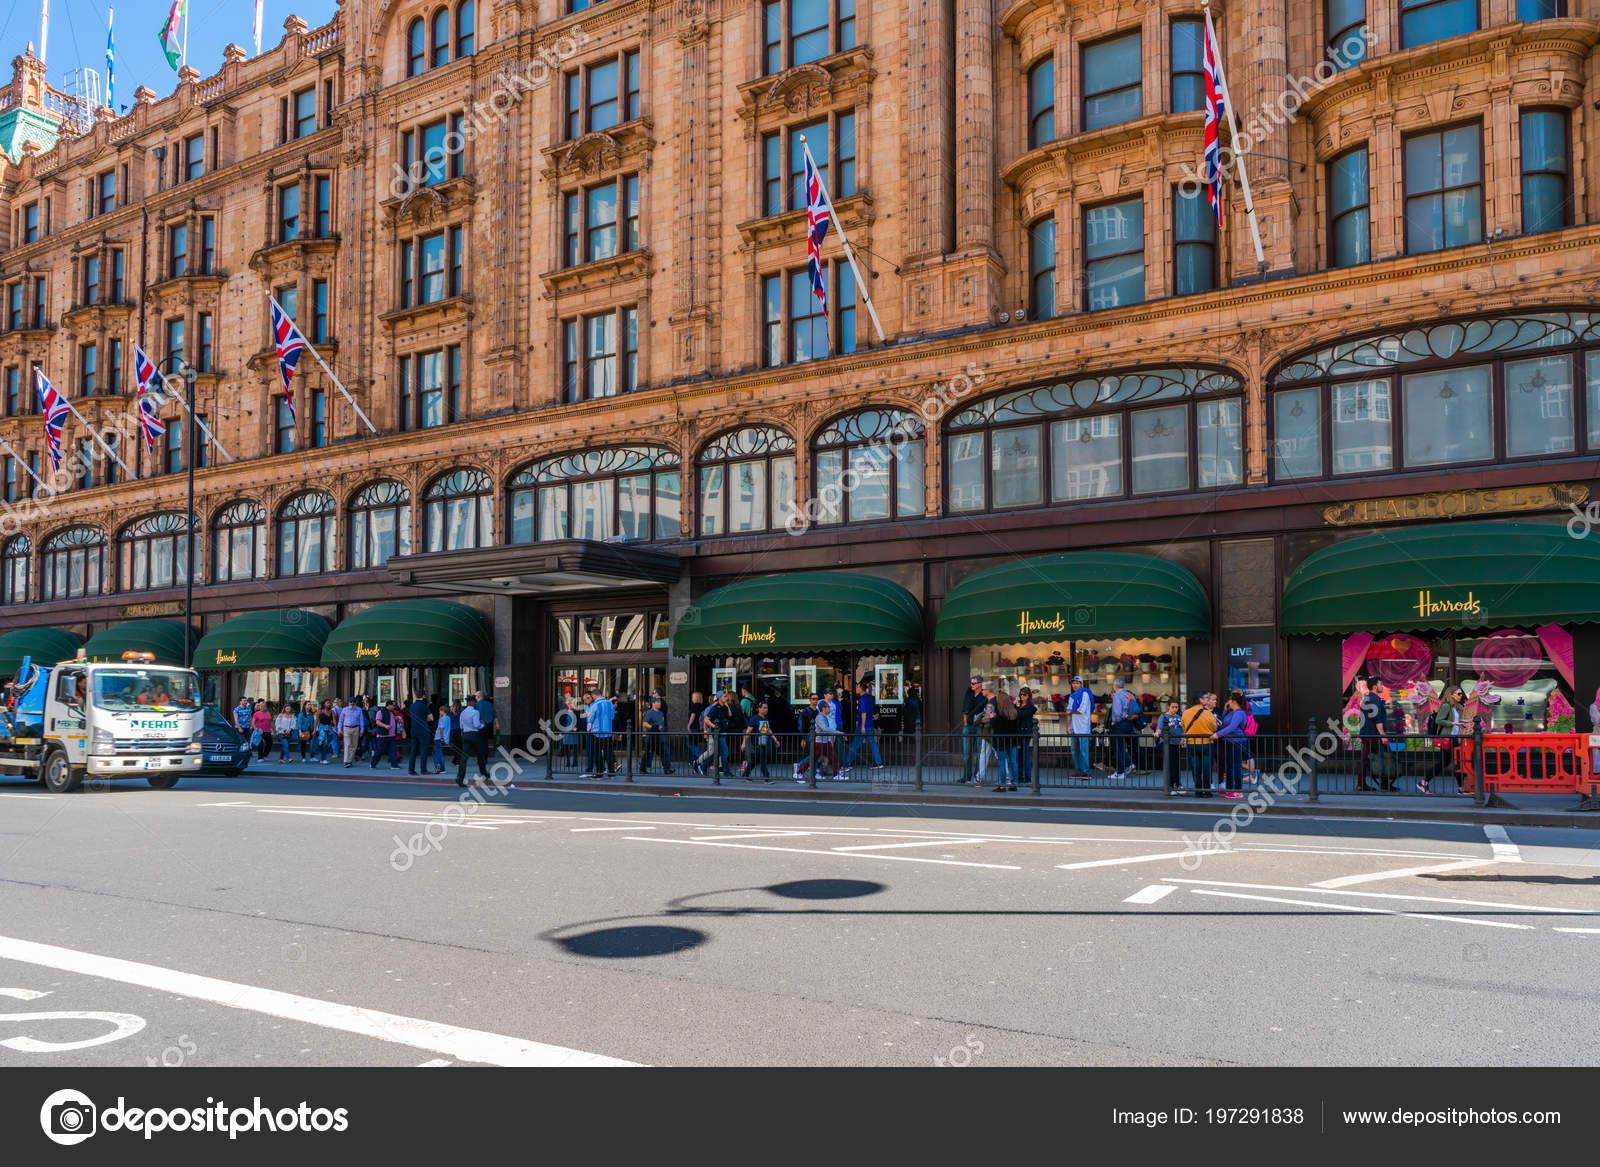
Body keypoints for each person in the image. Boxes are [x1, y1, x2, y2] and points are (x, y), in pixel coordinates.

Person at [841, 678, 883, 775]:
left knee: (855, 744)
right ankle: (878, 762)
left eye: (857, 687)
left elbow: (863, 713)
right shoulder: (869, 698)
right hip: (870, 724)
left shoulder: (862, 699)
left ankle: (847, 763)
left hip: (863, 725)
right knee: (872, 744)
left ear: (861, 689)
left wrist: (862, 726)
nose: (856, 688)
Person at [795, 695, 841, 782]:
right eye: (813, 699)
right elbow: (823, 728)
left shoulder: (821, 714)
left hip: (823, 740)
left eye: (816, 699)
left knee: (829, 758)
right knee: (813, 758)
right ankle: (799, 771)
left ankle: (833, 775)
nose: (815, 700)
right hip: (816, 740)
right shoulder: (814, 715)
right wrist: (838, 732)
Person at [1357, 679, 1391, 791]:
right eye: (1381, 684)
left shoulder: (1366, 699)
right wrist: (1383, 735)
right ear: (1375, 686)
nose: (1383, 686)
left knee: (1365, 760)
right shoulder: (1375, 699)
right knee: (1386, 757)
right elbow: (1377, 719)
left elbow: (1360, 718)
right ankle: (1385, 784)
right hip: (1374, 735)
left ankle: (1361, 784)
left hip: (1366, 734)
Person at [1182, 692, 1218, 797]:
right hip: (1206, 743)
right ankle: (1207, 791)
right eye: (1206, 698)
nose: (1207, 699)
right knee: (1207, 768)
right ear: (1200, 700)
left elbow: (1184, 726)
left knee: (1195, 768)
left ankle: (1198, 791)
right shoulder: (1208, 713)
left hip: (1191, 743)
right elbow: (1214, 728)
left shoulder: (1186, 712)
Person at [1214, 694, 1249, 798]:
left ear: (1233, 701)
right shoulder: (1231, 712)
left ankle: (1238, 790)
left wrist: (1217, 734)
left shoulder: (1239, 713)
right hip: (1228, 741)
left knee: (1236, 766)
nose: (1227, 702)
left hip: (1236, 741)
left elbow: (1232, 727)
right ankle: (1230, 789)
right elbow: (1224, 722)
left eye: (1229, 700)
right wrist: (1225, 710)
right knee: (1229, 766)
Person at [1108, 676, 1142, 781]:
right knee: (1121, 747)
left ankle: (1120, 772)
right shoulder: (1128, 694)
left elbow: (1117, 713)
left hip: (1120, 724)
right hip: (1129, 723)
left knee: (1117, 747)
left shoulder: (1117, 695)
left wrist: (1114, 721)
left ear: (1115, 685)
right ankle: (1129, 764)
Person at [989, 690, 1020, 792]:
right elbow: (1017, 727)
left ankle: (1002, 785)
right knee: (1014, 762)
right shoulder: (1014, 711)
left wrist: (992, 719)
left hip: (1001, 741)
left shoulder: (998, 713)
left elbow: (996, 728)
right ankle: (1014, 784)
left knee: (1002, 763)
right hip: (1012, 740)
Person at [959, 675, 987, 784]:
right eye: (971, 683)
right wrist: (966, 723)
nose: (971, 685)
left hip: (980, 725)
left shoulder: (984, 694)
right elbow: (964, 708)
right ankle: (966, 776)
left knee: (980, 752)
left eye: (973, 683)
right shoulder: (969, 692)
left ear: (980, 684)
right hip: (969, 725)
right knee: (967, 752)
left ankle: (977, 776)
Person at [739, 699, 777, 781]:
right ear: (759, 709)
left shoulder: (765, 718)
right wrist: (744, 743)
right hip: (757, 743)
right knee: (763, 761)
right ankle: (767, 777)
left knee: (754, 761)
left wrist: (775, 739)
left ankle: (746, 774)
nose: (766, 709)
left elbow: (768, 729)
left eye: (767, 708)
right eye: (764, 708)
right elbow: (748, 731)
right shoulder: (754, 718)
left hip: (763, 742)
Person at [695, 692, 731, 776]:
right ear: (719, 698)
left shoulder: (725, 707)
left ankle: (704, 766)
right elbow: (706, 719)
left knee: (716, 753)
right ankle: (726, 771)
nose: (726, 698)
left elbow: (730, 715)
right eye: (724, 696)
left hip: (723, 732)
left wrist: (727, 705)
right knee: (724, 752)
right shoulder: (714, 708)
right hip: (717, 734)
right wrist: (714, 726)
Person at [1066, 676, 1094, 778]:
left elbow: (1080, 711)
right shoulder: (1072, 696)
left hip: (1083, 729)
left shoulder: (1085, 694)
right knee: (1074, 752)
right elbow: (1068, 713)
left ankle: (1086, 773)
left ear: (1081, 684)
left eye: (1077, 683)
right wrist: (1068, 726)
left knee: (1083, 752)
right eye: (1073, 683)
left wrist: (1070, 712)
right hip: (1074, 728)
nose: (1075, 685)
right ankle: (1078, 772)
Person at [1155, 699, 1185, 794]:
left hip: (1176, 743)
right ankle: (1170, 785)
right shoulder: (1163, 716)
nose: (1175, 709)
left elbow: (1182, 730)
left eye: (1177, 707)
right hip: (1167, 743)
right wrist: (1157, 732)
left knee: (1176, 765)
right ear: (1168, 707)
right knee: (1170, 764)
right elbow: (1159, 728)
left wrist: (1182, 739)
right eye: (1173, 707)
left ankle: (1177, 784)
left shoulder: (1179, 717)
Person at [456, 699, 489, 785]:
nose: (475, 704)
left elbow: (461, 726)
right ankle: (484, 774)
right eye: (475, 702)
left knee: (463, 758)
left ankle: (459, 777)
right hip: (474, 735)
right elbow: (477, 725)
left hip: (465, 735)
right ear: (473, 703)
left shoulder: (462, 712)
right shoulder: (475, 712)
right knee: (480, 755)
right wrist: (483, 725)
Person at [584, 690, 616, 779]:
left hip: (597, 733)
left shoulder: (594, 705)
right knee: (608, 753)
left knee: (597, 754)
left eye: (592, 696)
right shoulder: (609, 704)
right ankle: (611, 773)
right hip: (608, 732)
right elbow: (612, 717)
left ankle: (599, 774)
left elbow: (590, 719)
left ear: (594, 695)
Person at [641, 696, 672, 774]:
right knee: (647, 753)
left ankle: (667, 770)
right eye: (657, 702)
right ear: (653, 703)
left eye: (660, 702)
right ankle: (642, 768)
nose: (659, 704)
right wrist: (653, 727)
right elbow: (644, 724)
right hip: (651, 738)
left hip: (660, 738)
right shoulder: (650, 713)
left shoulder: (661, 713)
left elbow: (662, 722)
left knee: (663, 754)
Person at [1015, 687, 1037, 788]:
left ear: (1028, 696)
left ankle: (1027, 777)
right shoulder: (1019, 704)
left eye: (1024, 695)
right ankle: (1020, 776)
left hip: (1025, 732)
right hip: (1019, 731)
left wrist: (1017, 708)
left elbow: (1021, 715)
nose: (1022, 696)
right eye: (1021, 694)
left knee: (1025, 754)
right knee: (1019, 755)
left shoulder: (1030, 707)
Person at [406, 694, 433, 775]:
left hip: (413, 730)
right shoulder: (424, 706)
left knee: (413, 750)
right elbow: (431, 718)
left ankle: (411, 771)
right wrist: (425, 719)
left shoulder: (411, 706)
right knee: (423, 750)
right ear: (423, 696)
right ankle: (423, 770)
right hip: (423, 730)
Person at [371, 700, 399, 769]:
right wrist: (385, 726)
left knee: (393, 750)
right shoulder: (380, 712)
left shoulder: (392, 713)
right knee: (379, 751)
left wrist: (396, 719)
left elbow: (392, 721)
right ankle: (373, 763)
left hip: (391, 735)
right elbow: (377, 722)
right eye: (393, 705)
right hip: (383, 735)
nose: (394, 707)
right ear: (388, 705)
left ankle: (394, 765)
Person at [338, 698, 365, 766]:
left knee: (354, 746)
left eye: (353, 702)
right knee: (347, 745)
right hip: (346, 728)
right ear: (348, 702)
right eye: (351, 702)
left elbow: (361, 720)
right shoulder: (344, 709)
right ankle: (346, 761)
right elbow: (340, 720)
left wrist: (362, 730)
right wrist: (339, 730)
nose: (352, 703)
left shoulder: (359, 709)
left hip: (356, 728)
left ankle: (350, 761)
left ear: (355, 703)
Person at [432, 703, 454, 775]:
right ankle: (442, 769)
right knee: (440, 753)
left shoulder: (442, 719)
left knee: (435, 753)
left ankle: (438, 766)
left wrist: (441, 737)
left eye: (440, 711)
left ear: (442, 711)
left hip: (439, 738)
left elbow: (441, 729)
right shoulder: (448, 718)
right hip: (445, 738)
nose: (439, 712)